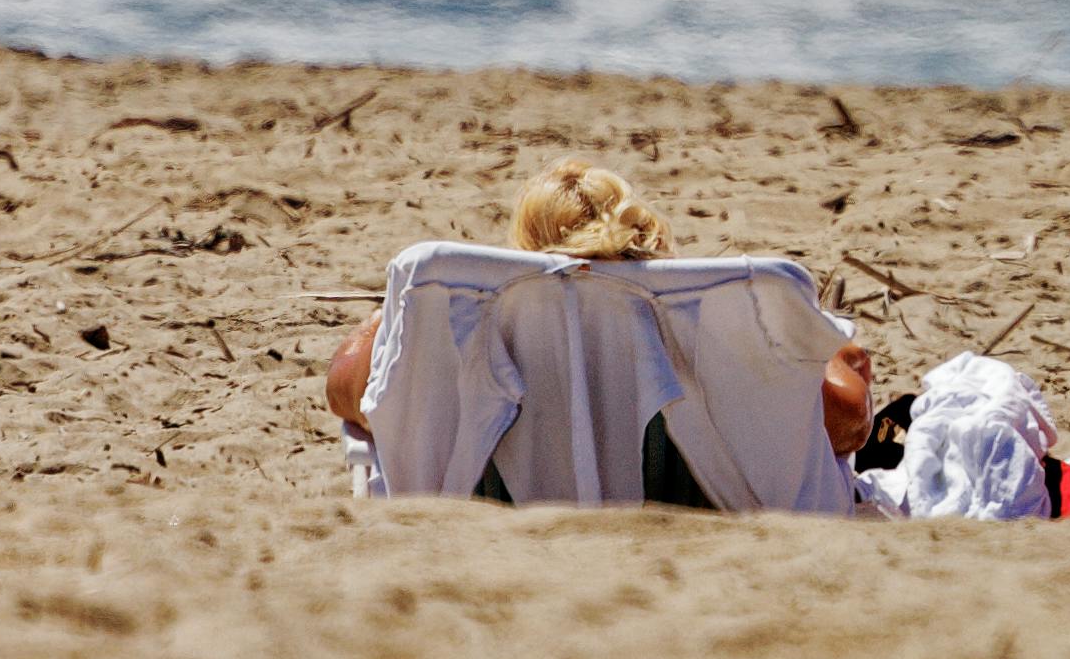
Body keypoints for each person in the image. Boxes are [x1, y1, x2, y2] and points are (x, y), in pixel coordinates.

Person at [324, 157, 877, 462]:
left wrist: (393, 316)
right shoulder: (704, 312)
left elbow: (345, 390)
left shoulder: (475, 321)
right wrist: (838, 359)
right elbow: (848, 424)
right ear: (651, 235)